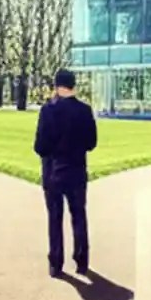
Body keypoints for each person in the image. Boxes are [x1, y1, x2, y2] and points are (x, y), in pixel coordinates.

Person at [33, 69, 97, 277]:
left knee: (55, 217)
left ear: (57, 85)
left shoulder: (48, 110)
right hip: (77, 169)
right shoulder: (85, 110)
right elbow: (91, 143)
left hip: (54, 170)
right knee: (79, 215)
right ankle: (81, 258)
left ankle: (56, 261)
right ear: (73, 86)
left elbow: (40, 146)